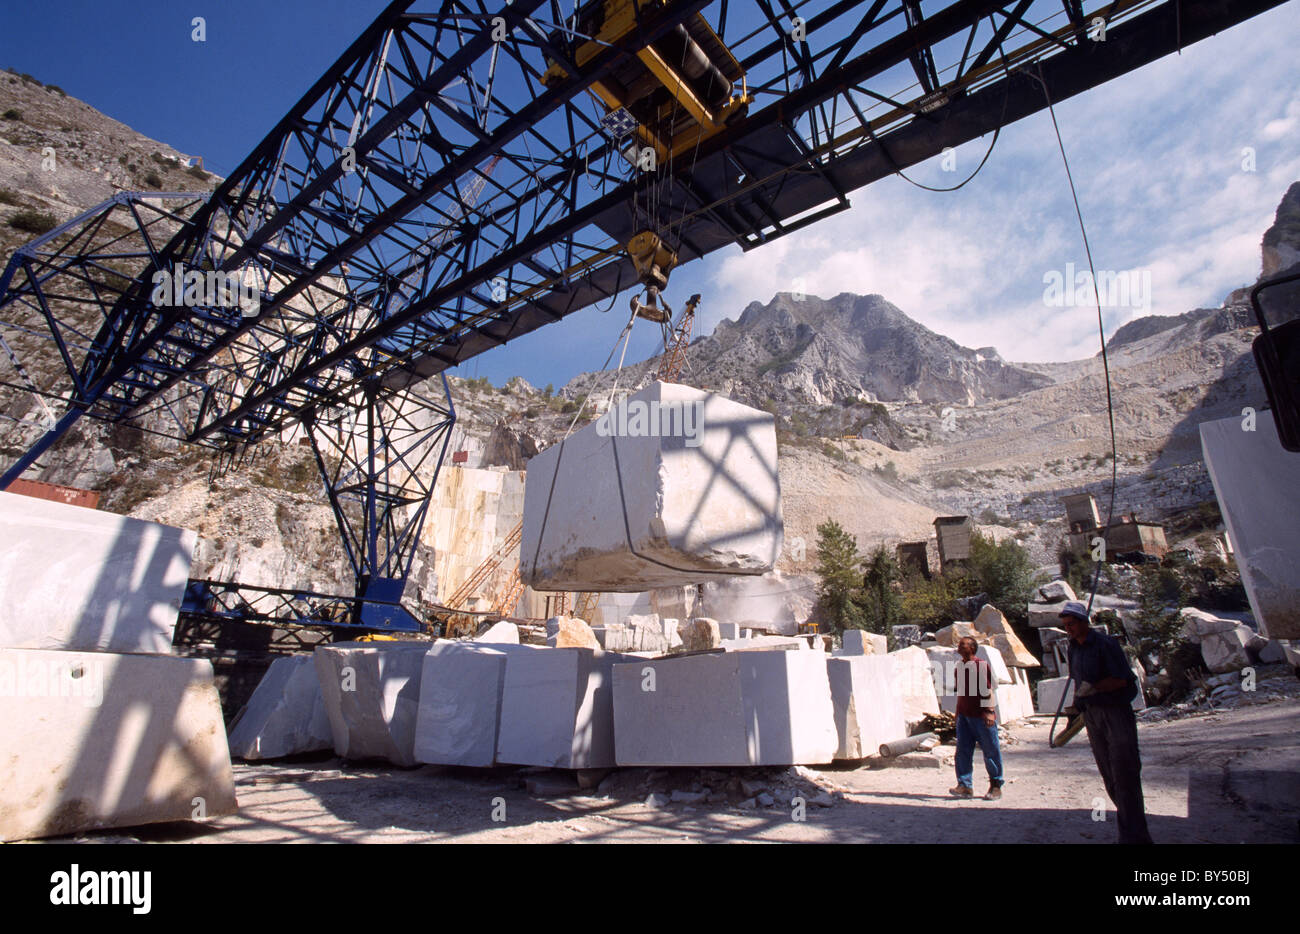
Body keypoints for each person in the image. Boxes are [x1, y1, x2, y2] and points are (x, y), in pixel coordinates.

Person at [1059, 600, 1154, 844]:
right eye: (1065, 625)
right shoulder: (1073, 648)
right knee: (1110, 776)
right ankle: (1132, 832)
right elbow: (1077, 682)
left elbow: (1123, 680)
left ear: (1083, 622)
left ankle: (1135, 837)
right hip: (1092, 715)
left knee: (1125, 774)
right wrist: (1076, 706)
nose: (1068, 628)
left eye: (1072, 624)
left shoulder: (1105, 645)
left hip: (1114, 711)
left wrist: (1096, 687)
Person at [949, 636, 1004, 800]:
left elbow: (988, 690)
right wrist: (958, 713)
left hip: (981, 716)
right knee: (963, 751)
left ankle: (995, 786)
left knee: (990, 750)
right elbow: (961, 692)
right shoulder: (959, 667)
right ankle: (965, 785)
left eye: (963, 644)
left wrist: (989, 711)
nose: (959, 647)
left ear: (972, 648)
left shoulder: (981, 665)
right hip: (965, 716)